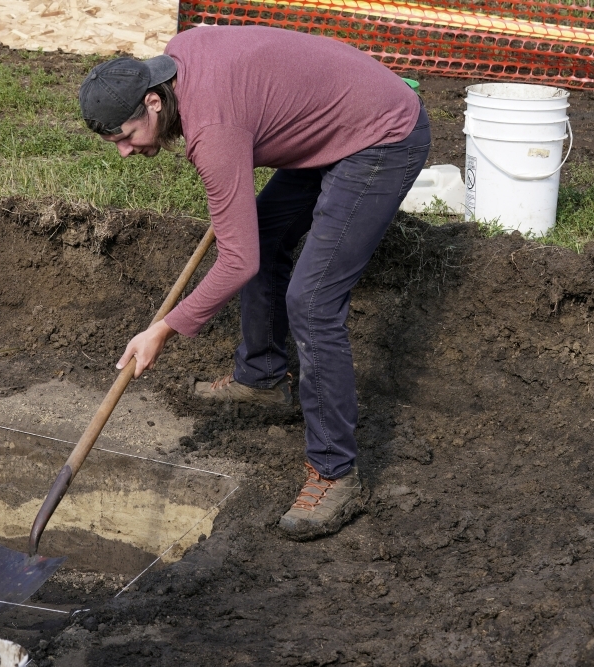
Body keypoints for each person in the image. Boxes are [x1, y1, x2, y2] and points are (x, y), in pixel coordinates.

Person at [78, 25, 430, 540]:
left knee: (312, 301)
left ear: (154, 100)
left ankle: (335, 474)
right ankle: (262, 376)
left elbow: (237, 262)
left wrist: (164, 329)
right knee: (262, 233)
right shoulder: (181, 55)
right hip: (337, 118)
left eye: (126, 137)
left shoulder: (211, 131)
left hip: (381, 136)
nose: (125, 153)